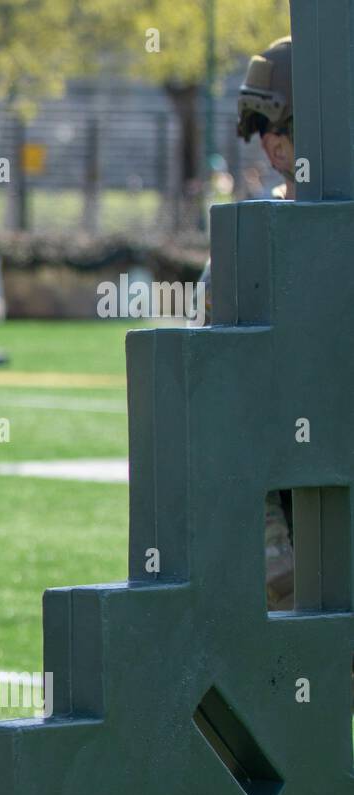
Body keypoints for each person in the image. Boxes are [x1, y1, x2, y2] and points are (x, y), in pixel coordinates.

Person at [197, 37, 295, 612]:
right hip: (300, 534)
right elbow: (224, 409)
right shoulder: (249, 251)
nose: (267, 142)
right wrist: (276, 555)